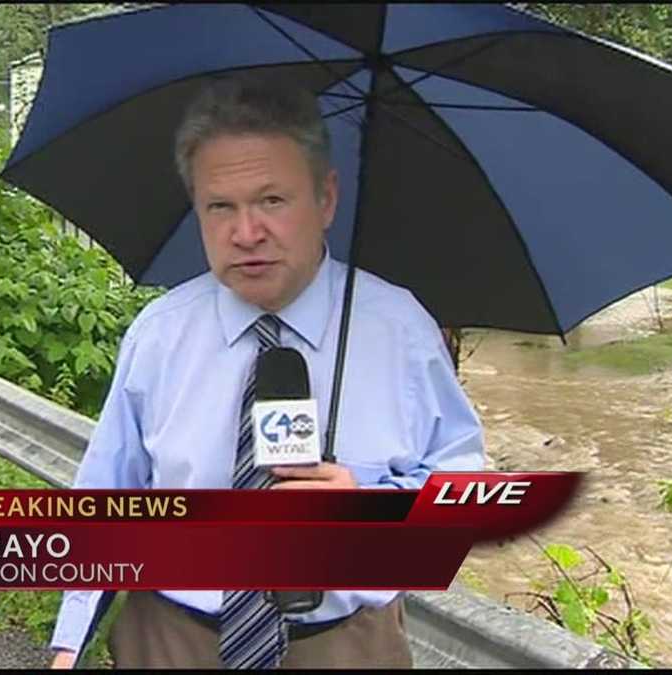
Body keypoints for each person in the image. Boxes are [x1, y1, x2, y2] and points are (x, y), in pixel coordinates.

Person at [49, 75, 485, 669]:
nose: (247, 232)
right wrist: (70, 643)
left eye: (272, 201)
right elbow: (107, 493)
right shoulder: (161, 332)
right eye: (220, 207)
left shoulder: (400, 329)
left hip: (345, 646)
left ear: (325, 199)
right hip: (170, 639)